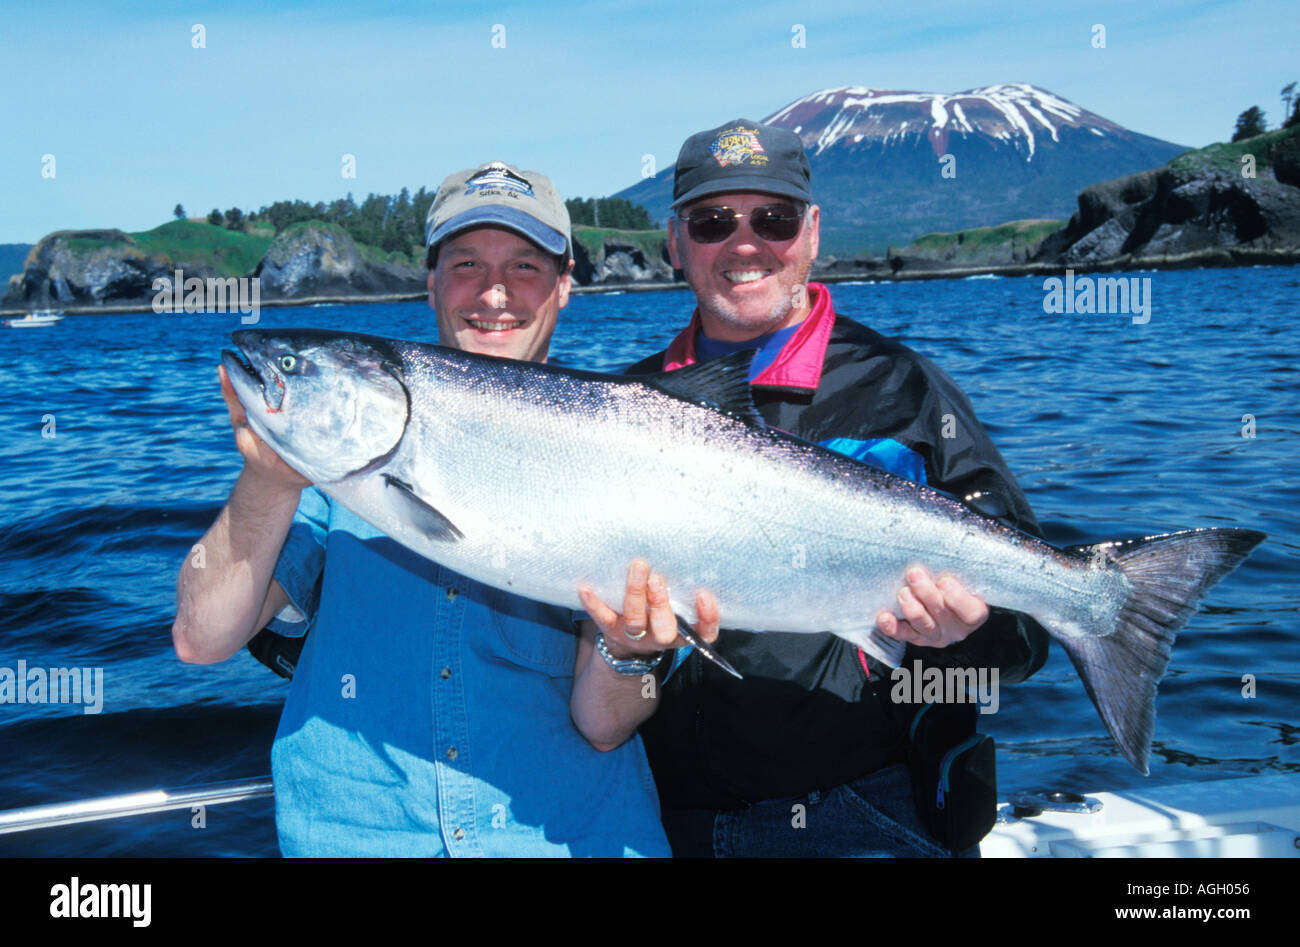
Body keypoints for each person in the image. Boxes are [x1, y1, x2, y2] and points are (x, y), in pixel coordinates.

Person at [171, 160, 700, 857]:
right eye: (465, 264)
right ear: (430, 280)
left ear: (566, 284)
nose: (494, 292)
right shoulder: (327, 473)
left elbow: (603, 726)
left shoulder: (625, 455)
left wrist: (629, 649)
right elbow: (201, 638)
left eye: (524, 265)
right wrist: (268, 482)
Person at [575, 120, 1052, 857]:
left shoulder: (904, 390)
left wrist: (967, 635)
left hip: (869, 811)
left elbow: (1028, 635)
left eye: (774, 217)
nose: (744, 244)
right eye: (711, 222)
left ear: (813, 231)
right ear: (674, 241)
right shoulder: (620, 410)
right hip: (664, 824)